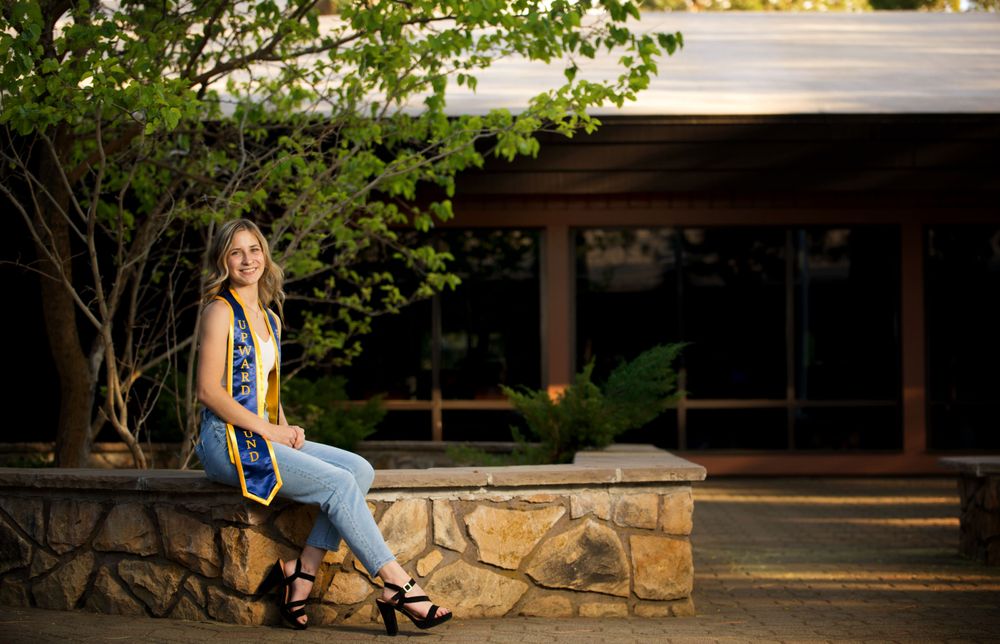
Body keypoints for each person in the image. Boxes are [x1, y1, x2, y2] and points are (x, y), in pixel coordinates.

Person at [194, 218, 451, 634]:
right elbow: (208, 391)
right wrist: (269, 431)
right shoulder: (219, 311)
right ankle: (397, 584)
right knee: (337, 484)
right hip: (224, 442)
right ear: (223, 259)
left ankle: (301, 571)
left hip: (259, 432)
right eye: (237, 251)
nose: (248, 259)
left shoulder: (269, 318)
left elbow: (266, 391)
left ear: (265, 256)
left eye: (254, 249)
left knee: (359, 470)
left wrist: (284, 426)